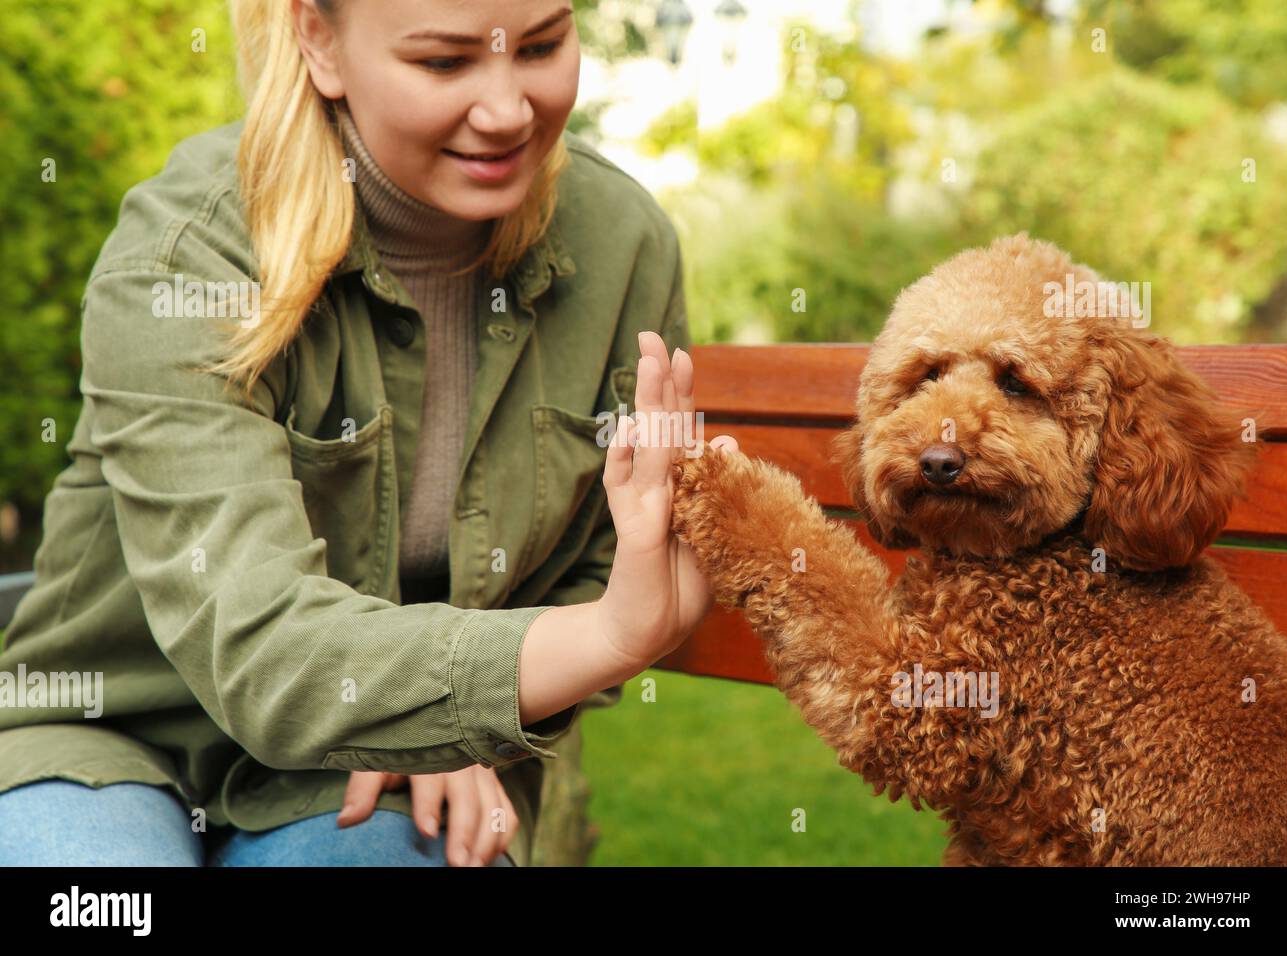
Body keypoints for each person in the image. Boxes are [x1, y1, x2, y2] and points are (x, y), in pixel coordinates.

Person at [0, 0, 737, 867]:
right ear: (318, 40)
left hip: (380, 776)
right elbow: (263, 647)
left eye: (540, 45)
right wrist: (534, 670)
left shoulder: (623, 246)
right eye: (444, 62)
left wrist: (453, 731)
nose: (507, 110)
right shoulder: (189, 257)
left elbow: (602, 565)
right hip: (116, 739)